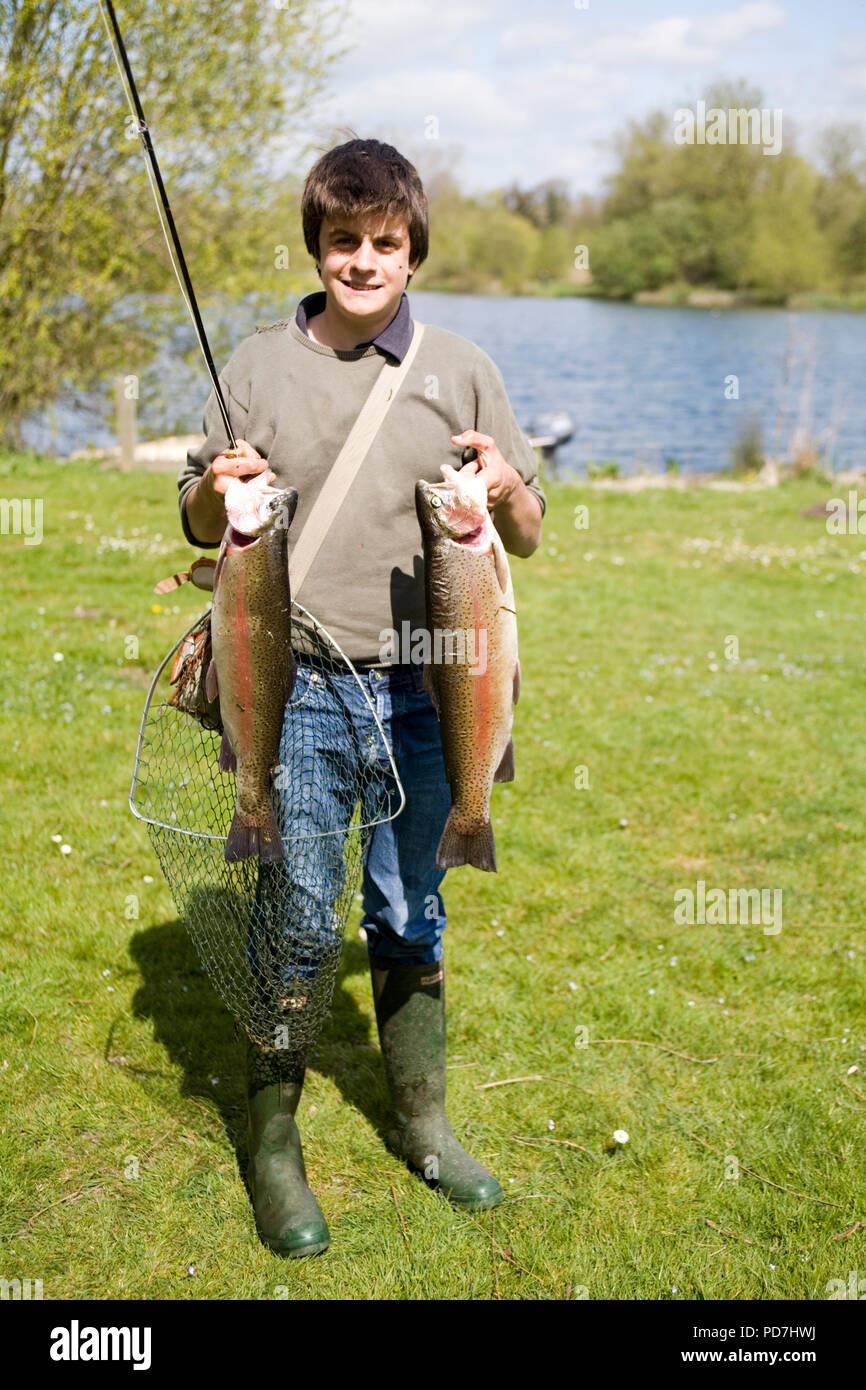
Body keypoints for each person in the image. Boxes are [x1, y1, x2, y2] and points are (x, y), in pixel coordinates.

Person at [176, 138, 546, 1257]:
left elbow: (528, 530)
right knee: (294, 916)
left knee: (408, 909)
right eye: (344, 241)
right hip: (297, 687)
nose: (363, 261)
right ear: (318, 246)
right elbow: (198, 519)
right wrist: (213, 490)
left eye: (385, 243)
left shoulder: (463, 367)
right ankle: (274, 1141)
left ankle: (424, 1122)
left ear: (412, 251)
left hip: (435, 694)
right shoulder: (253, 367)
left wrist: (505, 486)